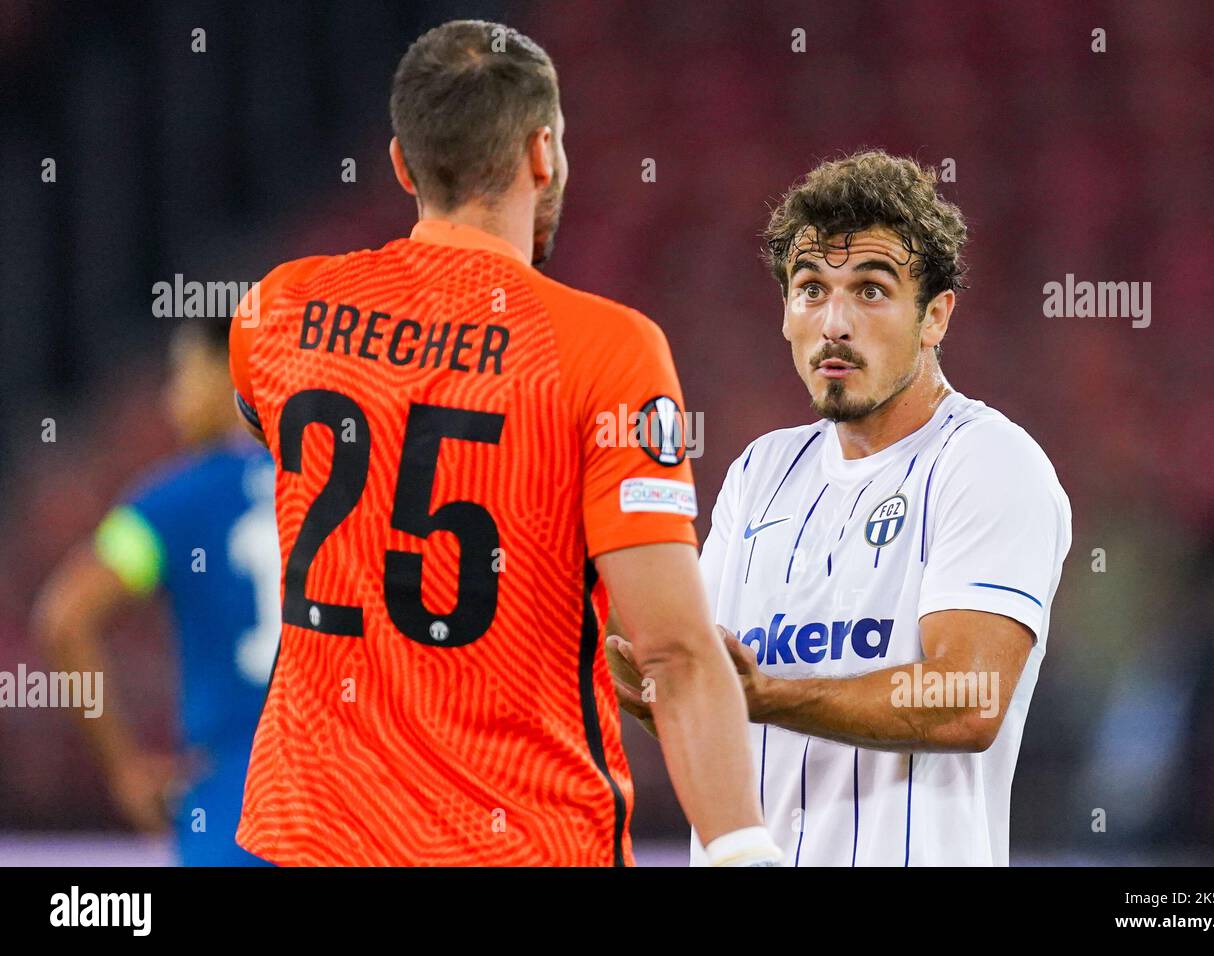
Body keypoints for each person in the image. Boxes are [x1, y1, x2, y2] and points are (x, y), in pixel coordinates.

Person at [227, 20, 777, 866]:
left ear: (403, 164)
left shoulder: (277, 312)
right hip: (524, 842)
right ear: (544, 152)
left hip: (311, 841)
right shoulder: (609, 350)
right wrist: (744, 851)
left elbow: (310, 448)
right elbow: (670, 648)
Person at [609, 150, 1072, 866]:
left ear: (935, 316)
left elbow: (971, 697)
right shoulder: (760, 473)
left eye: (871, 289)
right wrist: (663, 679)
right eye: (810, 289)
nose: (835, 323)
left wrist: (766, 696)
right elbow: (705, 679)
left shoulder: (990, 464)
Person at [33, 315, 279, 866]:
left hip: (228, 814)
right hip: (342, 814)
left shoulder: (168, 505)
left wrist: (125, 769)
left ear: (228, 375)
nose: (173, 398)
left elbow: (63, 615)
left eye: (182, 374)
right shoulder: (334, 482)